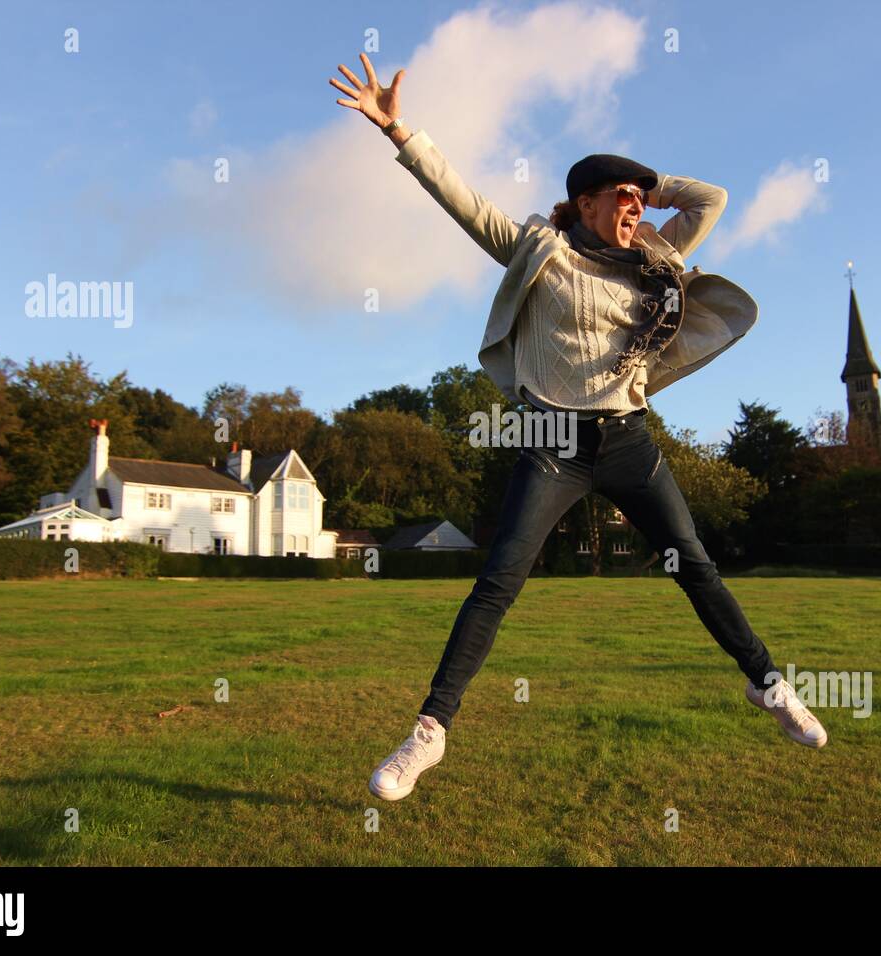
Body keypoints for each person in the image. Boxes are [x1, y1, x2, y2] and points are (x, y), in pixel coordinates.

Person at [328, 53, 827, 802]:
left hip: (627, 441)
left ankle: (767, 685)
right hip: (553, 445)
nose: (637, 210)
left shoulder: (657, 261)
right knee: (499, 579)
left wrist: (649, 185)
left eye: (640, 199)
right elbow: (463, 202)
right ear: (584, 204)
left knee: (694, 565)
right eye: (621, 198)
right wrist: (398, 129)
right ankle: (429, 734)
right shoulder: (545, 252)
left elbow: (712, 200)